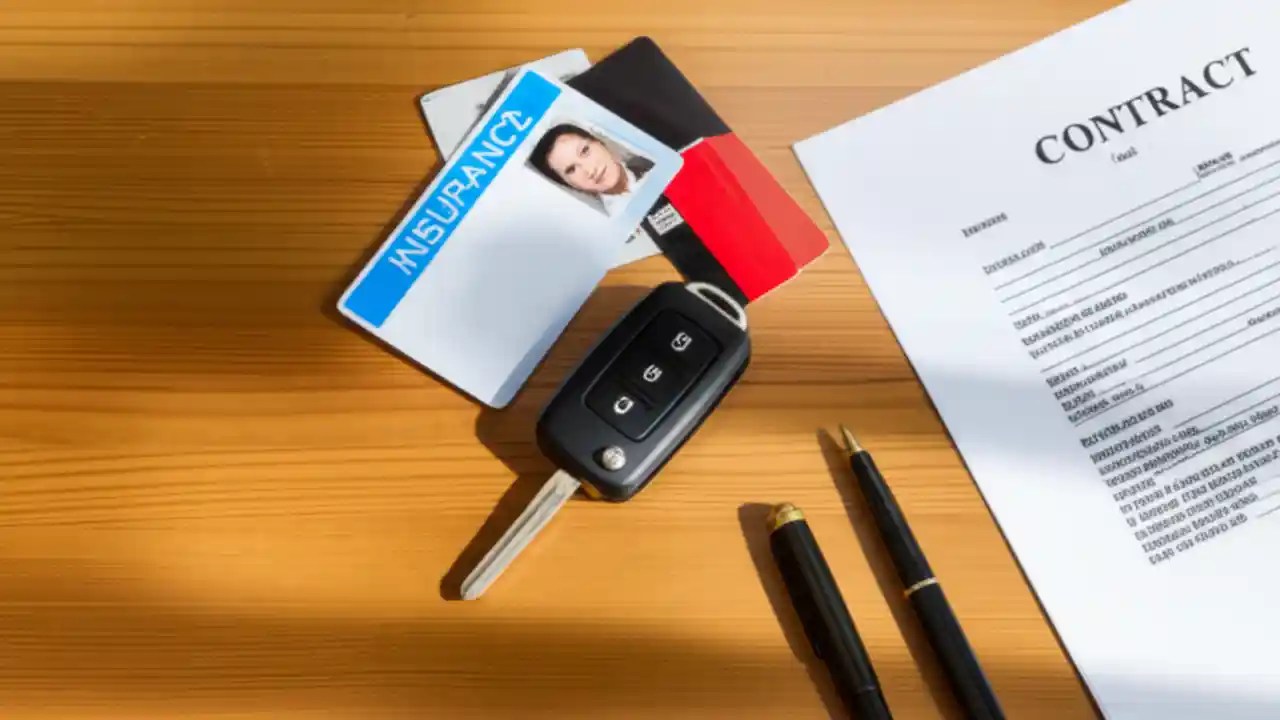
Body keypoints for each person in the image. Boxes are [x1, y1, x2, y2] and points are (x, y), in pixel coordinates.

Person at [529, 123, 653, 215]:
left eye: (584, 150)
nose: (589, 170)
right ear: (569, 184)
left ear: (599, 142)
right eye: (571, 169)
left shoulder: (649, 157)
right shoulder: (616, 219)